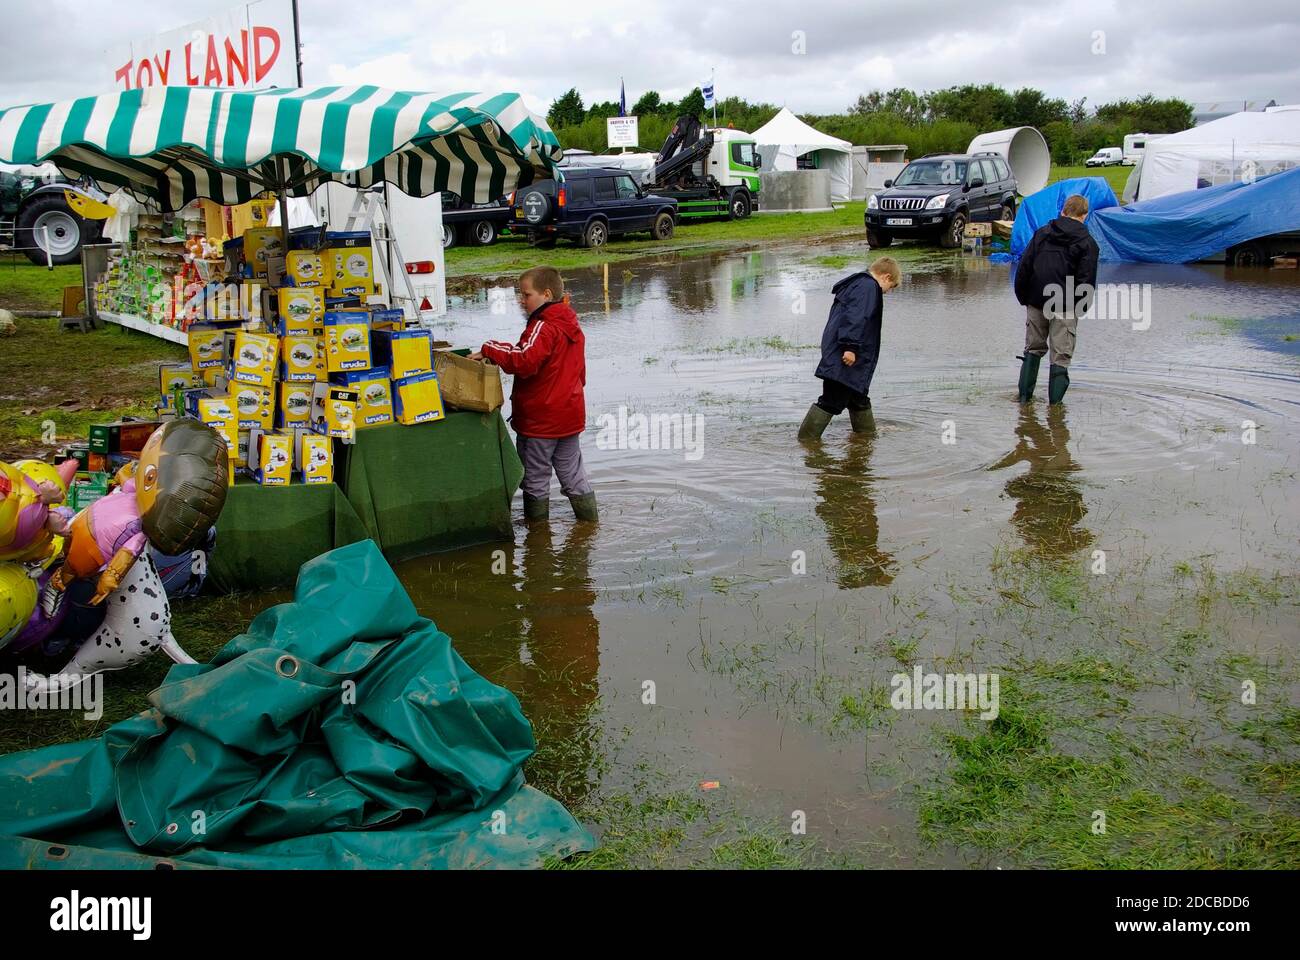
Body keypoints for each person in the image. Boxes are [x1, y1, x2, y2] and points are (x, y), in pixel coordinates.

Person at [473, 267, 596, 523]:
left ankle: (536, 542)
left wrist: (489, 348)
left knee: (535, 479)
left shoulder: (543, 325)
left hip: (541, 421)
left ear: (546, 294)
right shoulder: (570, 323)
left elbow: (524, 360)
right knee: (573, 475)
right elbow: (579, 373)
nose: (521, 299)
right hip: (569, 417)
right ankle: (589, 527)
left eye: (526, 294)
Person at [797, 257, 902, 441]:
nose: (889, 292)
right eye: (891, 286)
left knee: (858, 399)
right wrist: (850, 347)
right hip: (845, 355)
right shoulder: (868, 287)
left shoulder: (858, 284)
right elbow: (855, 317)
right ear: (886, 277)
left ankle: (865, 440)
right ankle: (806, 442)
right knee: (831, 401)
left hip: (843, 353)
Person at [1013, 193, 1099, 404]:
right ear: (1084, 215)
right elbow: (1086, 280)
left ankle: (1024, 401)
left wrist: (1024, 298)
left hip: (1035, 299)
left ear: (1063, 211)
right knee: (1060, 356)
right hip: (1065, 305)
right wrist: (1080, 308)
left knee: (1032, 349)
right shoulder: (1087, 243)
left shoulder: (1042, 233)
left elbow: (1024, 267)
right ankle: (1055, 411)